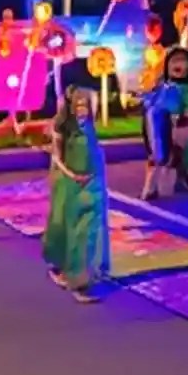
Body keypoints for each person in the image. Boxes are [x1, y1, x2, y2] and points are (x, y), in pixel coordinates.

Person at [42, 86, 109, 303]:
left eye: (86, 105)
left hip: (94, 186)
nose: (83, 109)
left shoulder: (90, 127)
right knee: (72, 230)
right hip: (72, 185)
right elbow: (57, 157)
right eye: (79, 105)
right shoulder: (63, 128)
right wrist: (73, 176)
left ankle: (83, 277)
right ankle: (75, 280)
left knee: (89, 232)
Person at [141, 47, 188, 199]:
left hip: (179, 115)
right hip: (162, 113)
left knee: (176, 150)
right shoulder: (167, 85)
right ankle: (151, 188)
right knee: (160, 152)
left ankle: (174, 178)